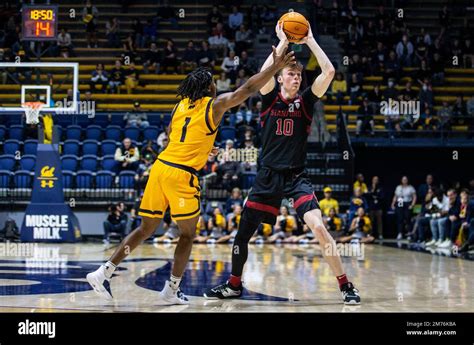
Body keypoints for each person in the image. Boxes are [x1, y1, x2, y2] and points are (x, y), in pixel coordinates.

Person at [86, 44, 295, 304]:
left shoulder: (179, 106)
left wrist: (204, 147)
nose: (217, 86)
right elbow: (249, 89)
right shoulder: (214, 105)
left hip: (160, 167)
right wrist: (276, 66)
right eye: (214, 83)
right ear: (209, 88)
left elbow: (178, 138)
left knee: (145, 228)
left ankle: (103, 271)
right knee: (187, 234)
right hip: (181, 175)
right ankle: (171, 290)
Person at [205, 23, 361, 305]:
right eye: (291, 74)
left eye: (299, 75)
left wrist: (311, 39)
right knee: (242, 235)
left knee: (319, 227)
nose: (296, 79)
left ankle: (345, 285)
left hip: (296, 176)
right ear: (280, 79)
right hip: (267, 176)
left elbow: (329, 73)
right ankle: (234, 284)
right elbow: (262, 76)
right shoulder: (268, 99)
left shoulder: (306, 102)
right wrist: (281, 42)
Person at [391, 176, 417, 240]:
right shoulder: (398, 187)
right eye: (403, 179)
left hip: (407, 202)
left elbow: (414, 196)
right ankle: (400, 233)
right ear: (401, 180)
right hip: (400, 201)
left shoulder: (410, 187)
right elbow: (395, 196)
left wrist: (412, 204)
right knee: (400, 218)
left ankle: (408, 233)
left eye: (405, 179)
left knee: (407, 218)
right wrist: (393, 203)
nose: (404, 180)